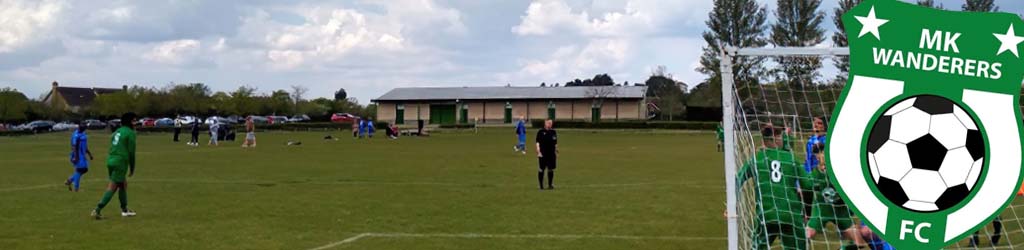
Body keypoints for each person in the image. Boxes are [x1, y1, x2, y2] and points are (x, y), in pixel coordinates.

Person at [735, 125, 805, 250]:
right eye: (781, 136)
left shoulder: (756, 159)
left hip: (767, 214)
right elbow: (808, 185)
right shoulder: (791, 158)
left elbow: (738, 179)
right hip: (790, 215)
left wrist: (733, 205)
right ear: (776, 138)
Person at [803, 142, 864, 248]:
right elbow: (808, 186)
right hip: (822, 210)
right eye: (818, 154)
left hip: (840, 211)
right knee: (808, 234)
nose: (820, 156)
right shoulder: (815, 174)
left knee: (860, 243)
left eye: (822, 153)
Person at [91, 112, 138, 219]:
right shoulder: (130, 133)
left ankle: (124, 210)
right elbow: (131, 153)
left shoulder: (117, 131)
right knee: (113, 186)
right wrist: (132, 168)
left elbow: (113, 141)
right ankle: (97, 210)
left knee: (123, 184)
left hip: (111, 160)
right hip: (120, 162)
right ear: (130, 122)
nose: (136, 123)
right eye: (134, 120)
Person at [801, 117, 828, 219]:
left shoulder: (827, 140)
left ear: (824, 126)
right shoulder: (810, 141)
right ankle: (807, 216)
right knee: (805, 191)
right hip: (812, 172)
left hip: (823, 173)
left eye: (819, 123)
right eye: (814, 123)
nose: (816, 125)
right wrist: (807, 173)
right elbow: (807, 158)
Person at [65, 121, 94, 192]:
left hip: (82, 155)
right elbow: (74, 147)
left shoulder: (83, 134)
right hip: (77, 155)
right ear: (79, 126)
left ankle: (70, 180)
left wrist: (89, 154)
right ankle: (76, 188)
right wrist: (76, 157)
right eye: (83, 127)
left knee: (84, 169)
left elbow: (85, 146)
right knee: (80, 170)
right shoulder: (76, 135)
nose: (84, 128)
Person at [536, 119, 558, 190]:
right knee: (541, 169)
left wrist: (556, 151)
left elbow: (555, 143)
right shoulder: (540, 132)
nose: (550, 124)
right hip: (543, 153)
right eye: (548, 123)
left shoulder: (553, 132)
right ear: (545, 123)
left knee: (550, 169)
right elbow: (537, 142)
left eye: (551, 123)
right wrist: (538, 151)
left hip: (551, 154)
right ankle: (541, 186)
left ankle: (550, 185)